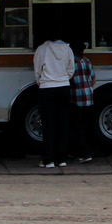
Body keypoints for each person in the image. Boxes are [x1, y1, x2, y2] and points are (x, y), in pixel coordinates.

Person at [33, 34, 74, 168]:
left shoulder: (42, 49)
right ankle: (62, 158)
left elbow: (37, 70)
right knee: (63, 123)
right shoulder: (67, 48)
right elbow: (71, 69)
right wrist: (63, 78)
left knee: (48, 125)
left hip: (47, 88)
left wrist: (42, 82)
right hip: (64, 87)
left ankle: (48, 159)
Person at [68, 41, 95, 164]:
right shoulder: (87, 61)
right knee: (87, 126)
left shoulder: (71, 62)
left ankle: (83, 153)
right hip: (89, 97)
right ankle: (88, 151)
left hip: (76, 98)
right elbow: (93, 79)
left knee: (77, 127)